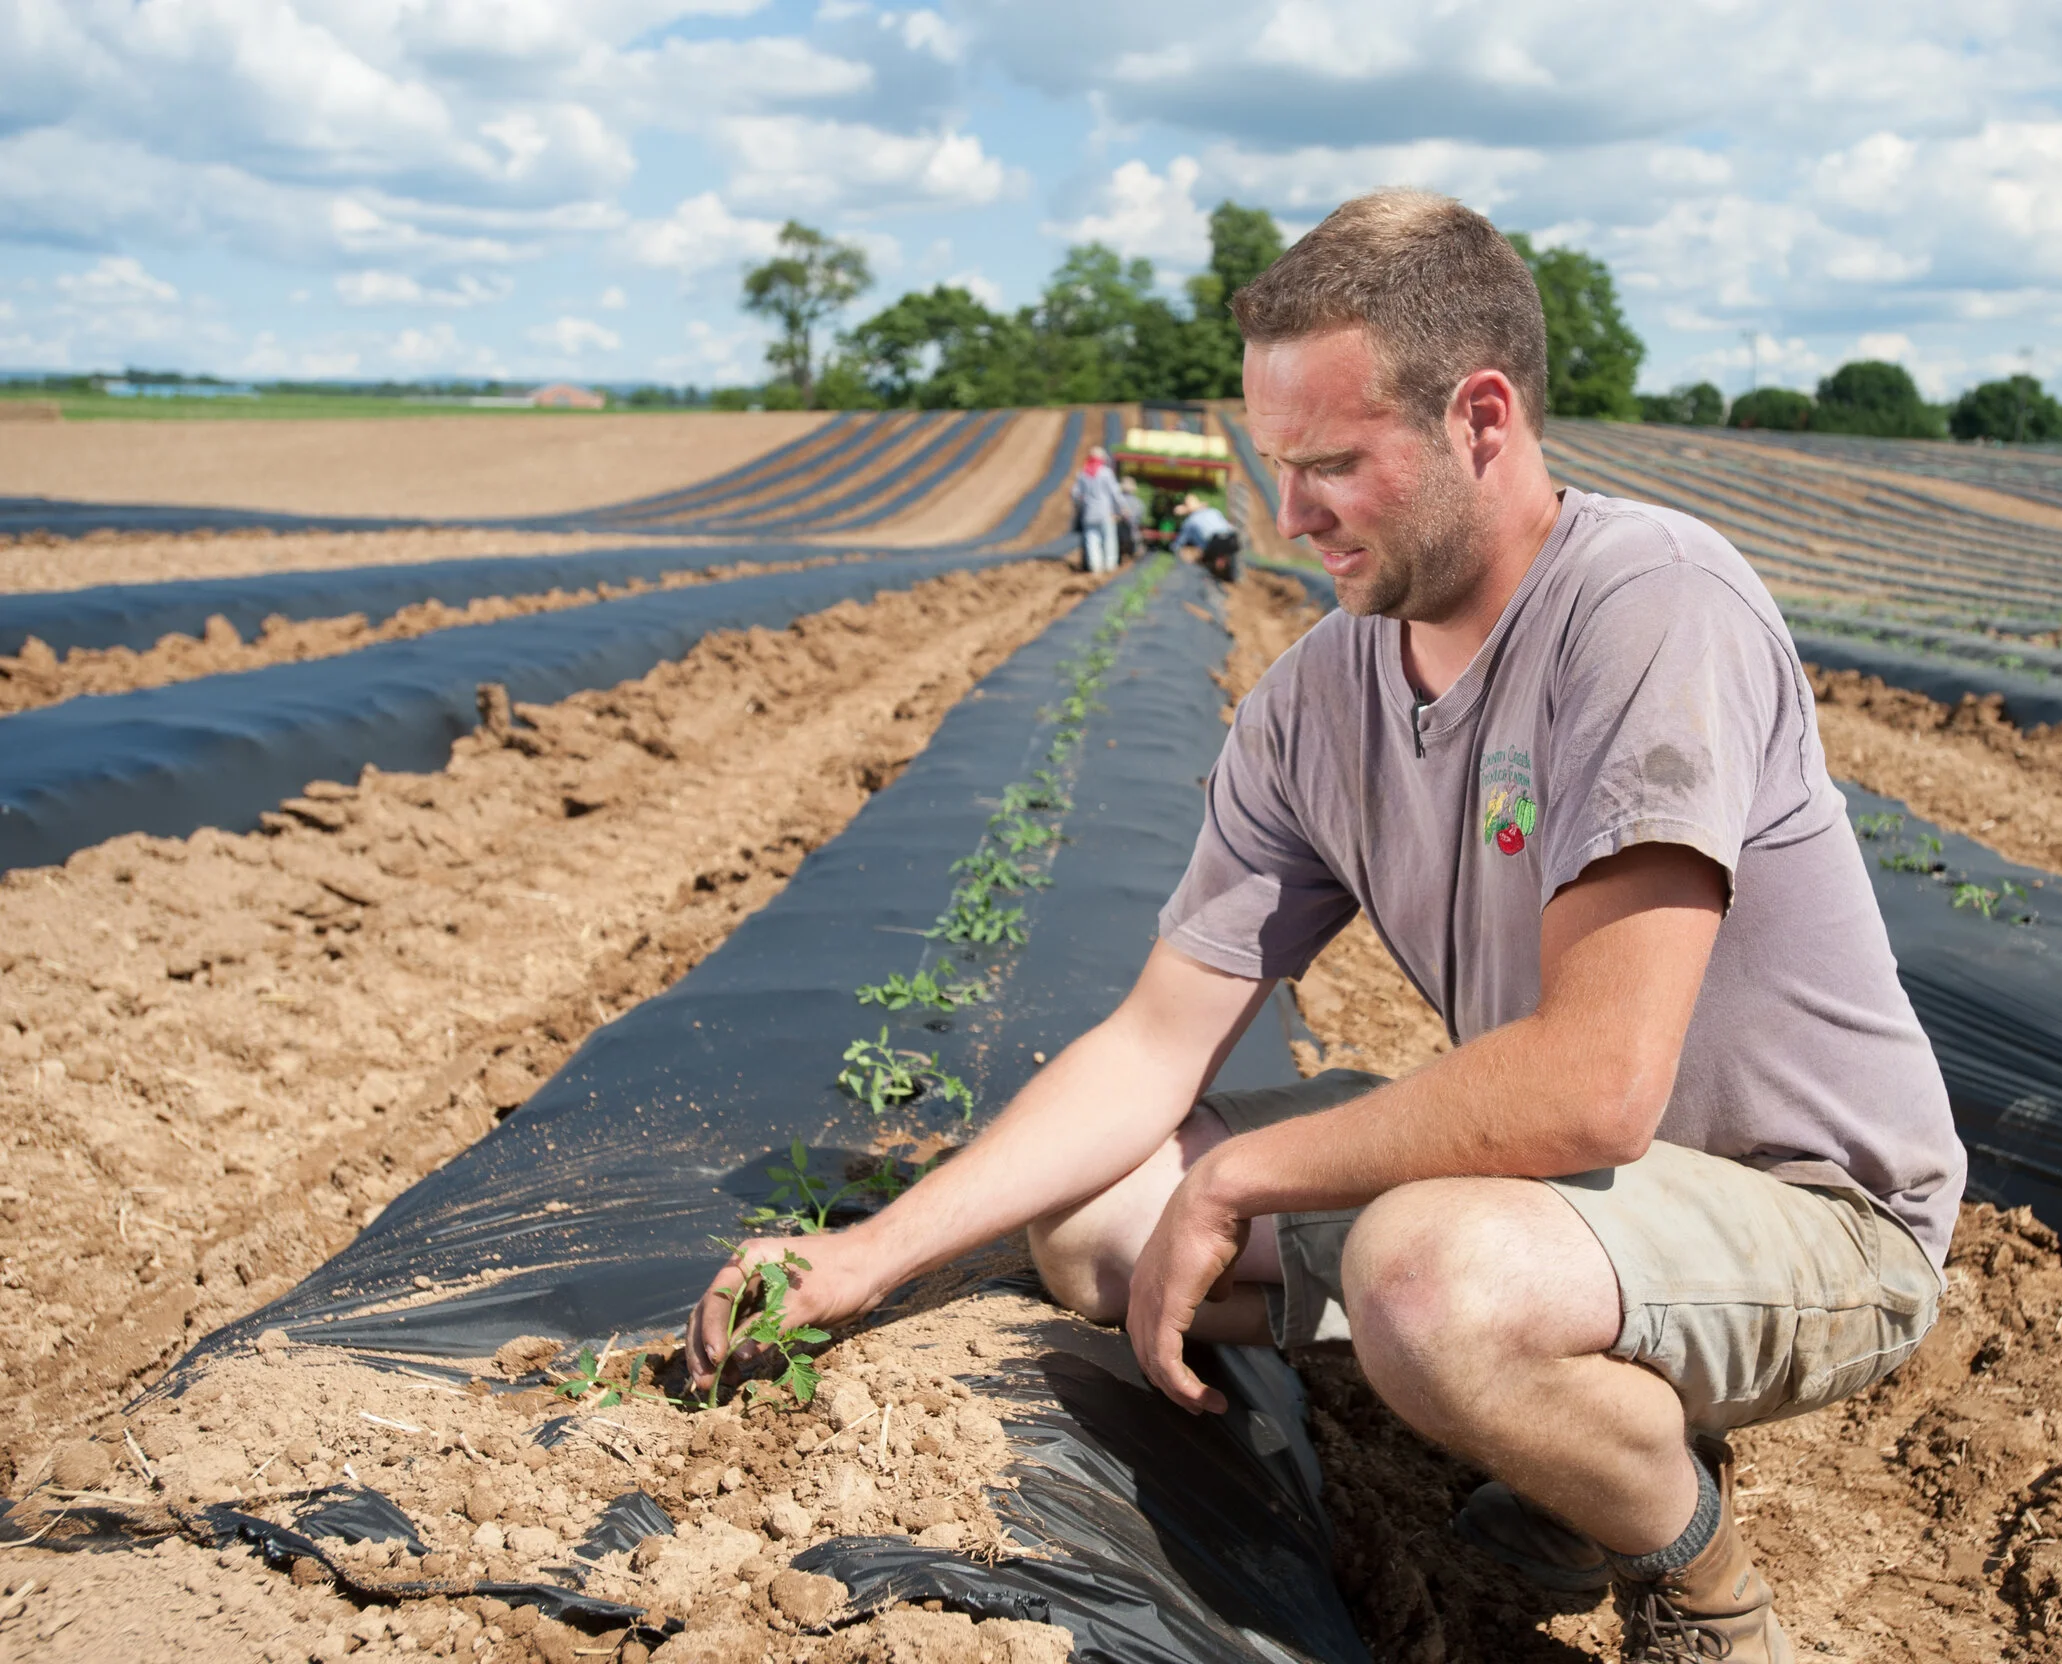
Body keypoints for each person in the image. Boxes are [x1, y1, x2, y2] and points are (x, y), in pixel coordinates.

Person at [690, 190, 1964, 1664]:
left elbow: (1597, 1081)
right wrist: (875, 1253)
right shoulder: (1319, 703)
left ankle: (1703, 1581)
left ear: (1482, 417)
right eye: (1277, 465)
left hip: (1808, 1212)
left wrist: (1246, 1178)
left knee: (1424, 1280)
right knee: (1106, 1231)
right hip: (1578, 1190)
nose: (1288, 516)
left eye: (1334, 465)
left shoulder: (1647, 610)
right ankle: (1584, 1430)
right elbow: (1155, 1038)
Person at [1070, 446, 1127, 575]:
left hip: (1089, 514)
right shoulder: (1106, 473)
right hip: (1105, 513)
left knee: (1091, 541)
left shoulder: (1083, 474)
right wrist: (1122, 508)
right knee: (1109, 540)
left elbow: (1075, 494)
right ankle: (1110, 567)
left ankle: (1095, 568)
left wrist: (1081, 507)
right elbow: (1115, 493)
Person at [1171, 492, 1241, 582]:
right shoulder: (1213, 511)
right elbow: (1228, 526)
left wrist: (1173, 547)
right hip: (1231, 537)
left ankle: (1214, 573)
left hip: (1214, 543)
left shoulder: (1190, 521)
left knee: (1202, 557)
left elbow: (1180, 541)